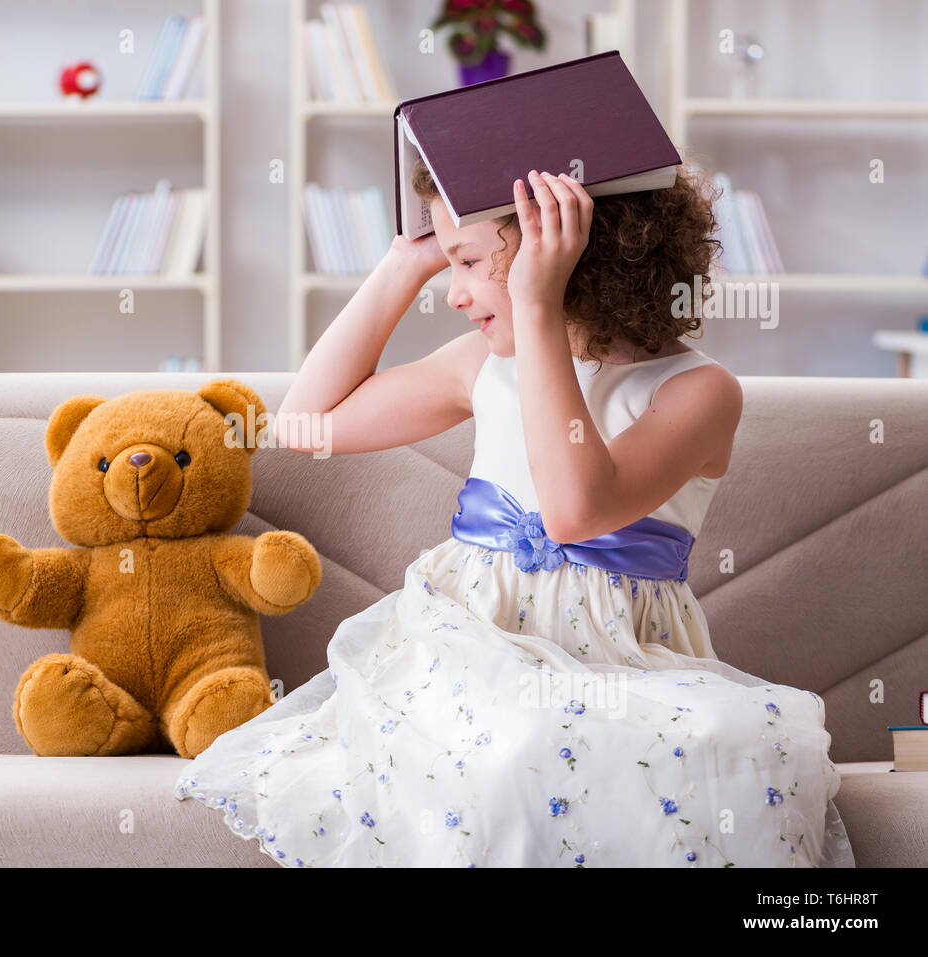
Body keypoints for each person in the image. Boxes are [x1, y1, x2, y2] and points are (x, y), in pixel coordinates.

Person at [173, 164, 855, 867]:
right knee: (510, 750)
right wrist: (405, 263)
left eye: (466, 260)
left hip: (624, 664)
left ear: (563, 251)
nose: (454, 290)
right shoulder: (482, 365)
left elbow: (573, 510)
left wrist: (537, 311)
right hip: (472, 645)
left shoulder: (698, 392)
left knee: (707, 741)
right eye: (446, 259)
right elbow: (306, 423)